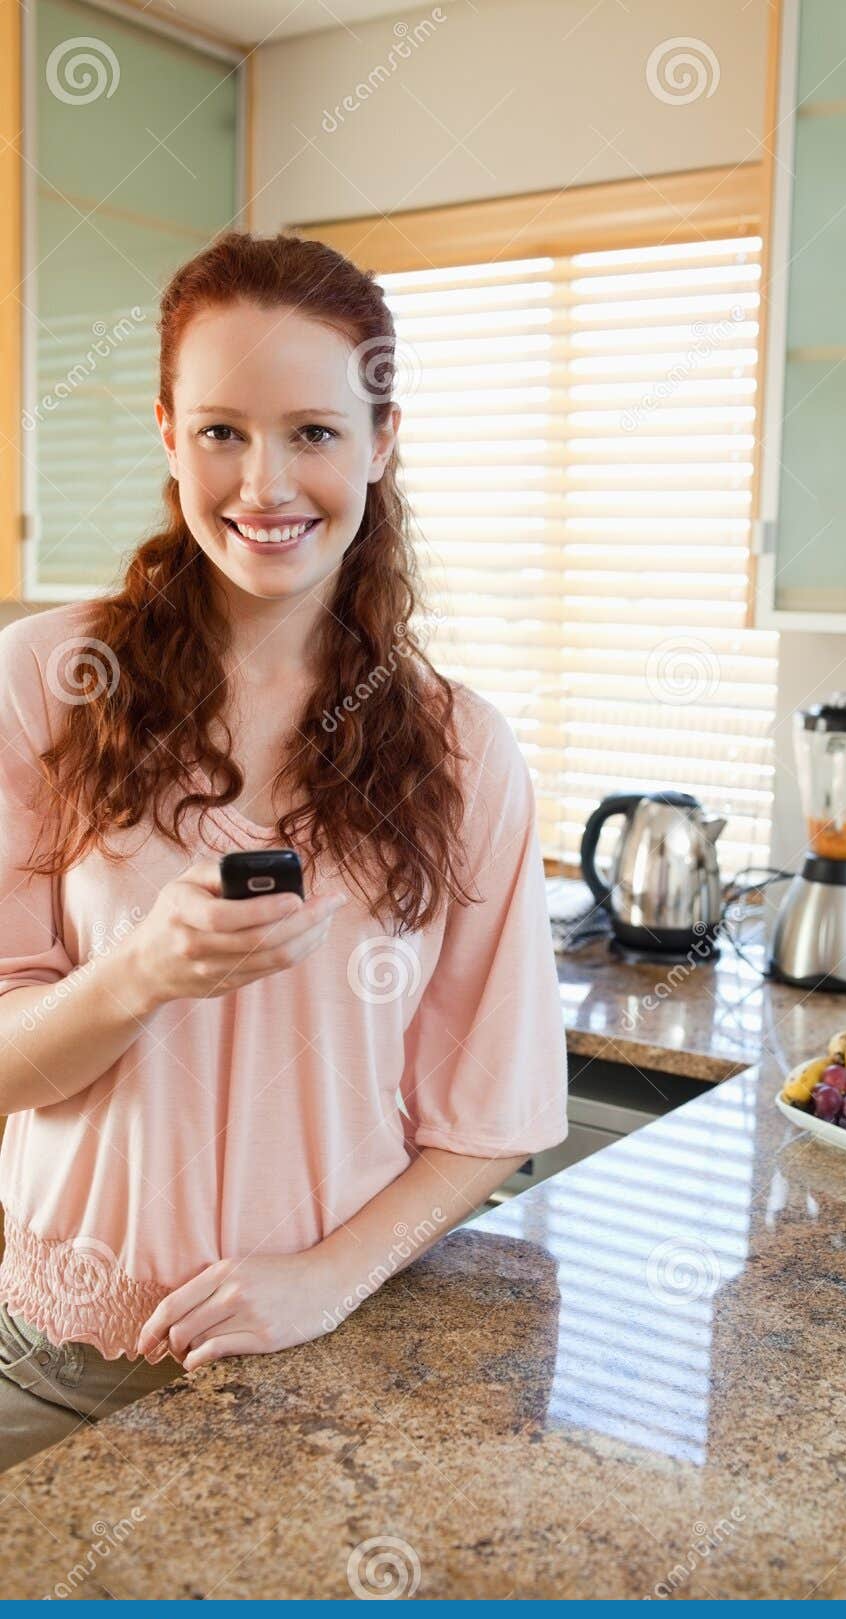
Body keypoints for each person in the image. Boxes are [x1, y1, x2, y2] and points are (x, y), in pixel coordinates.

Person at [0, 231, 568, 1474]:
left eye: (312, 430)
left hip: (333, 1367)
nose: (263, 484)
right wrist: (142, 972)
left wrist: (321, 1279)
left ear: (380, 439)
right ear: (165, 434)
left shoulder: (460, 746)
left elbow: (493, 1110)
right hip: (52, 1372)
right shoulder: (43, 682)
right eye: (221, 430)